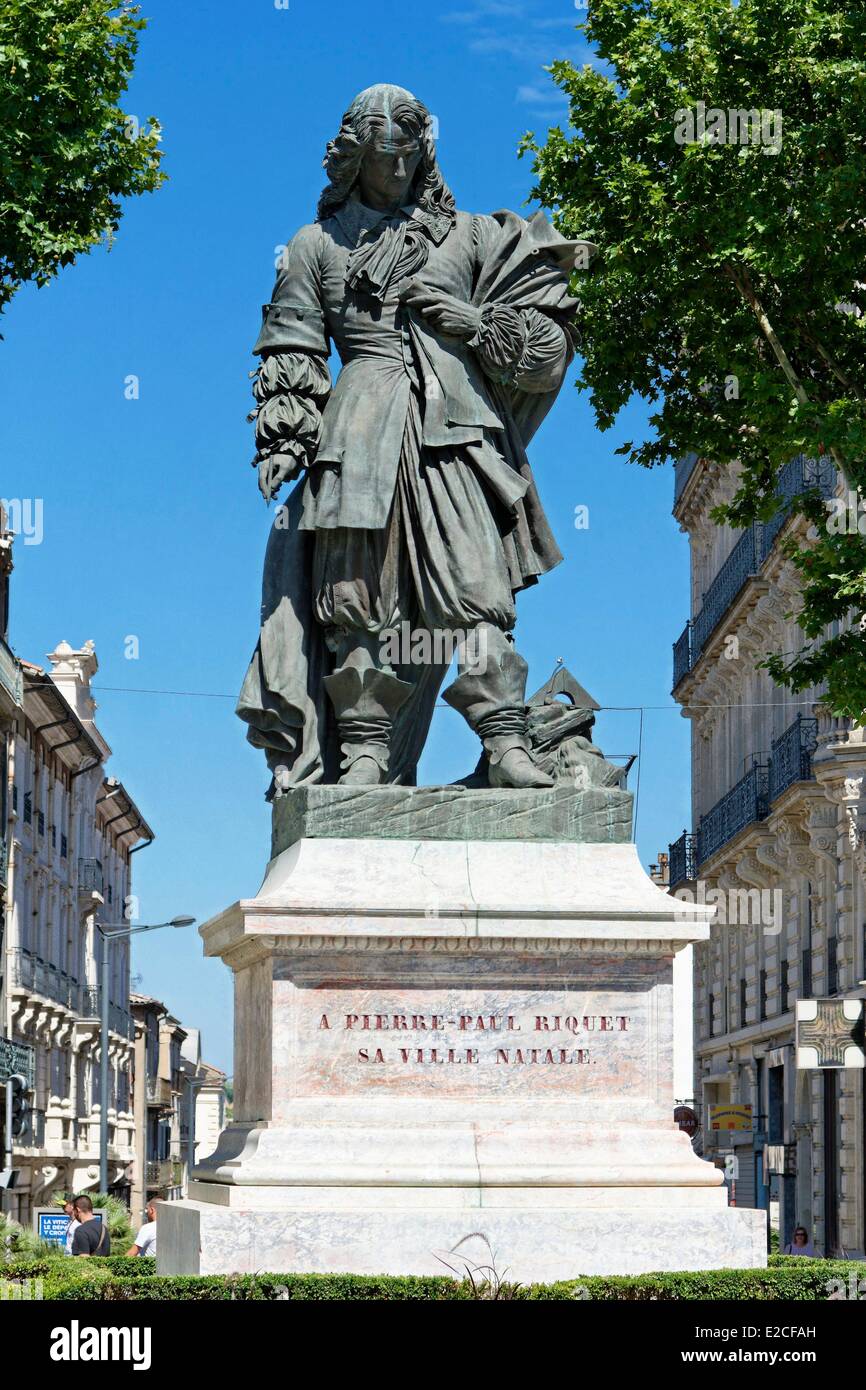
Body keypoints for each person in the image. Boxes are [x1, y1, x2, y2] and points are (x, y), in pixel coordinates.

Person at [238, 83, 595, 793]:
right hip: (358, 429)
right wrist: (284, 435)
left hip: (454, 428)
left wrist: (470, 323)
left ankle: (504, 741)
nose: (396, 173)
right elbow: (295, 342)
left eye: (408, 158)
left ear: (424, 154)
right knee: (355, 599)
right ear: (355, 160)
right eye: (382, 159)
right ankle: (363, 754)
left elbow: (549, 342)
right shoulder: (316, 245)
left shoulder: (473, 236)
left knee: (476, 585)